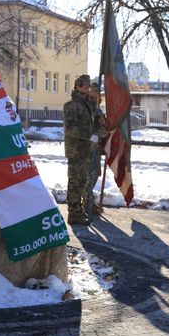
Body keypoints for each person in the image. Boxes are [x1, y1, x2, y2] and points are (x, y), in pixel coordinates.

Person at [62, 74, 109, 225]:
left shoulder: (88, 106)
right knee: (76, 182)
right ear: (78, 87)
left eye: (90, 86)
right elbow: (71, 129)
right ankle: (74, 213)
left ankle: (83, 207)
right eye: (86, 86)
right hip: (77, 150)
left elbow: (96, 127)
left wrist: (102, 130)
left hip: (87, 150)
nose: (89, 89)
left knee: (85, 180)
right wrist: (90, 135)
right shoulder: (72, 106)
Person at [87, 82, 110, 217]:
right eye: (94, 91)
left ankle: (89, 200)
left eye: (98, 91)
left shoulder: (97, 109)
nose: (97, 94)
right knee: (89, 174)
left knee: (95, 173)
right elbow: (96, 129)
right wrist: (104, 129)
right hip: (89, 147)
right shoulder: (88, 108)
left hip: (96, 146)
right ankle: (87, 202)